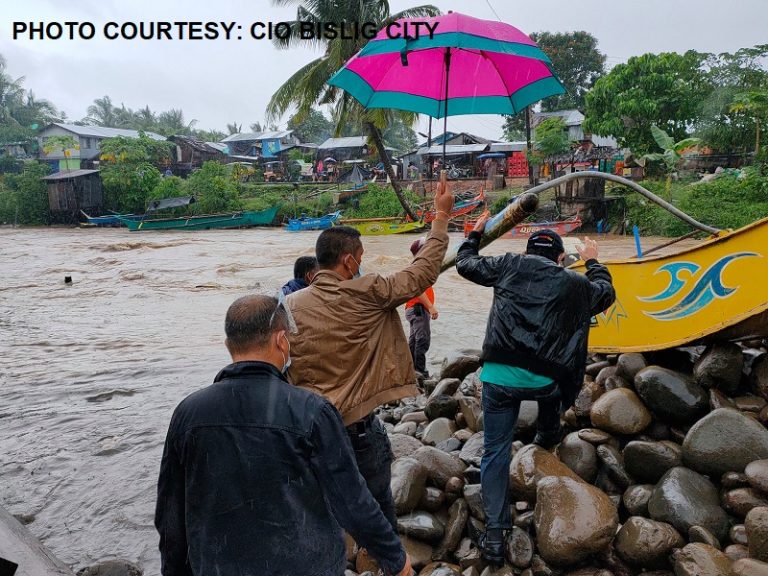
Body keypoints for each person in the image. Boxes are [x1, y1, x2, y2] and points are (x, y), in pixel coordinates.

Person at [155, 294, 412, 576]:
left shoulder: (188, 413)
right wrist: (395, 559)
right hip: (305, 565)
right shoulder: (312, 410)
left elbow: (170, 513)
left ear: (229, 345)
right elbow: (352, 499)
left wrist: (174, 570)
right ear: (282, 341)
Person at [286, 179, 454, 530]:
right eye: (360, 259)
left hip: (310, 433)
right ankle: (387, 559)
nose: (361, 265)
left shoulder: (289, 306)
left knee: (323, 510)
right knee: (378, 504)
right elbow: (421, 273)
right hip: (357, 429)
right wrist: (440, 217)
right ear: (348, 262)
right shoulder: (368, 290)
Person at [456, 214, 616, 566]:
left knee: (494, 453)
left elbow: (465, 264)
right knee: (552, 398)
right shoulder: (572, 282)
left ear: (527, 251)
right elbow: (605, 294)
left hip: (498, 376)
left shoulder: (510, 265)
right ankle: (545, 440)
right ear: (560, 258)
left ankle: (496, 536)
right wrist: (593, 260)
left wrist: (476, 233)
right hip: (545, 380)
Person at [404, 237, 438, 379]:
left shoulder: (416, 266)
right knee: (422, 339)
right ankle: (420, 371)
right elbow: (418, 289)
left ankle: (411, 370)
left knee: (414, 340)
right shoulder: (419, 267)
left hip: (412, 308)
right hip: (418, 307)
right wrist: (430, 306)